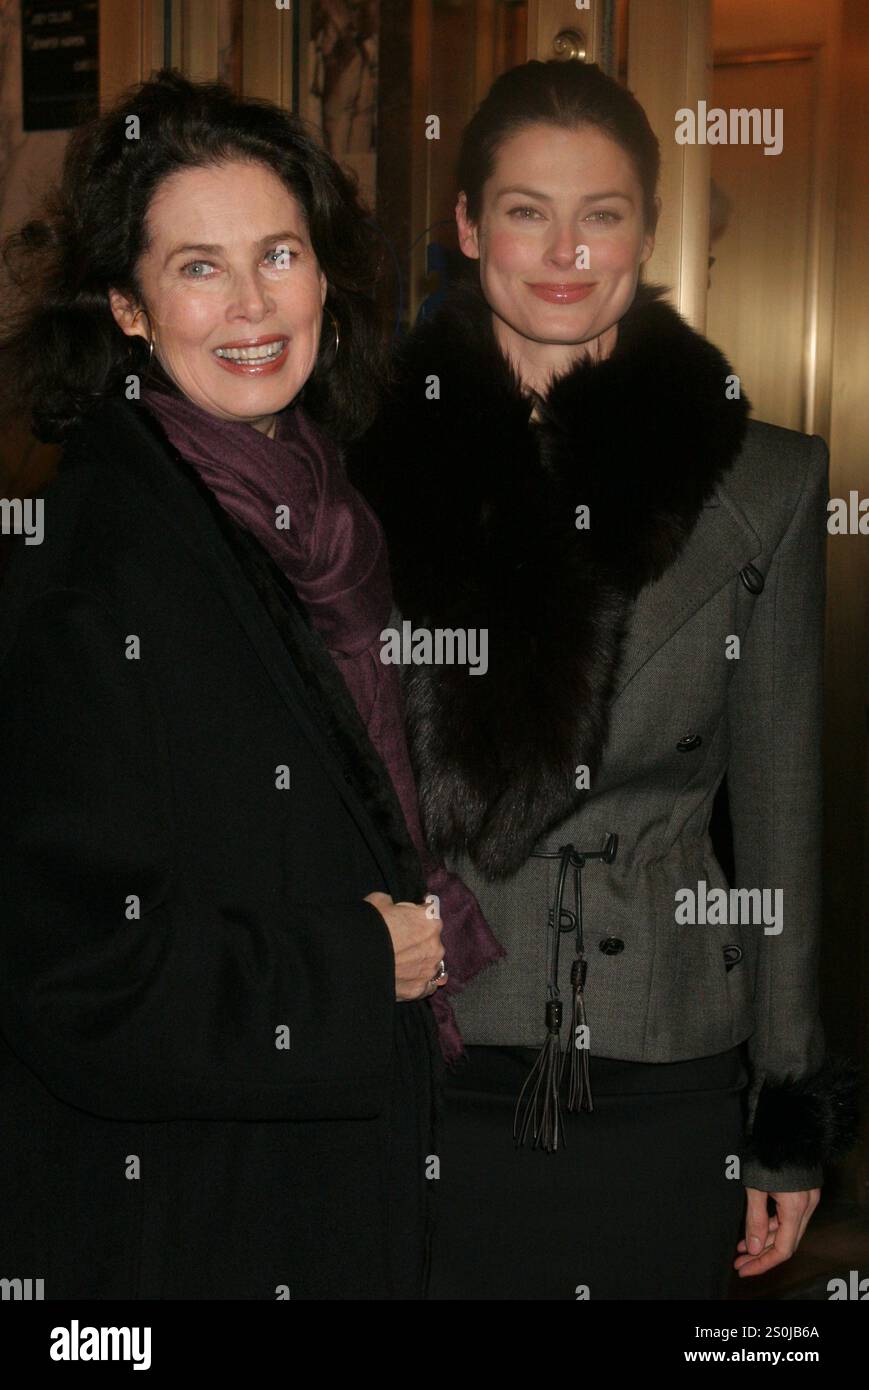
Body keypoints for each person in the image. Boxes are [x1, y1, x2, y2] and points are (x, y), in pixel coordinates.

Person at [348, 60, 858, 1300]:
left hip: (664, 1046)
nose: (564, 250)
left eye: (603, 212)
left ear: (649, 226)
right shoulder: (362, 464)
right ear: (467, 225)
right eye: (525, 209)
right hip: (427, 1037)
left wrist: (785, 1097)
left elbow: (782, 807)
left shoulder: (767, 485)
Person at [0, 69, 456, 1300]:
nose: (252, 305)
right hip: (189, 1216)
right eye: (198, 267)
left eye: (279, 254)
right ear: (128, 308)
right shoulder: (91, 558)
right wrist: (357, 965)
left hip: (335, 1172)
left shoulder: (331, 507)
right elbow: (73, 972)